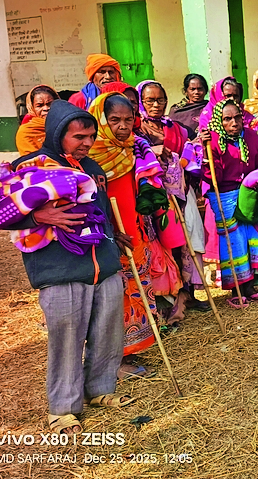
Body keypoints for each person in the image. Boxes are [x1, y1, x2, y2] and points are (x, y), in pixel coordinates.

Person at [0, 99, 128, 434]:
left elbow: (101, 209)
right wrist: (37, 215)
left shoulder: (93, 168)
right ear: (58, 133)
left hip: (102, 264)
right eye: (79, 137)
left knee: (108, 332)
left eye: (91, 136)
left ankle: (101, 390)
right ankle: (63, 409)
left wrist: (115, 237)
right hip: (59, 269)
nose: (88, 143)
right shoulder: (29, 167)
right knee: (67, 339)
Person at [88, 92, 168, 380]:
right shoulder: (90, 155)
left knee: (136, 293)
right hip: (109, 235)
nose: (123, 126)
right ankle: (114, 359)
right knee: (114, 298)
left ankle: (131, 349)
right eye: (114, 120)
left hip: (133, 228)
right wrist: (109, 231)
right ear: (101, 120)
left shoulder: (134, 147)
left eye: (128, 119)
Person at [136, 80, 209, 325]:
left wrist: (197, 148)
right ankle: (169, 301)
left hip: (183, 191)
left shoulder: (176, 128)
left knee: (191, 239)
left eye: (160, 100)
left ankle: (189, 293)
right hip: (157, 195)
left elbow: (191, 156)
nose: (156, 105)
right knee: (168, 244)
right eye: (150, 100)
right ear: (141, 102)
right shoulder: (138, 132)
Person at [200, 99, 258, 305]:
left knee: (255, 238)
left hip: (251, 193)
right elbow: (213, 178)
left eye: (237, 117)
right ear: (220, 121)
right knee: (235, 244)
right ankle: (236, 290)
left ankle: (251, 286)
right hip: (226, 196)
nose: (234, 122)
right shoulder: (213, 141)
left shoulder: (252, 137)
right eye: (228, 119)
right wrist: (206, 153)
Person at [16, 85, 59, 156]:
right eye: (39, 105)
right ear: (31, 107)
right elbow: (30, 159)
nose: (46, 108)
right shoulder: (26, 132)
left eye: (50, 104)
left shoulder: (66, 125)